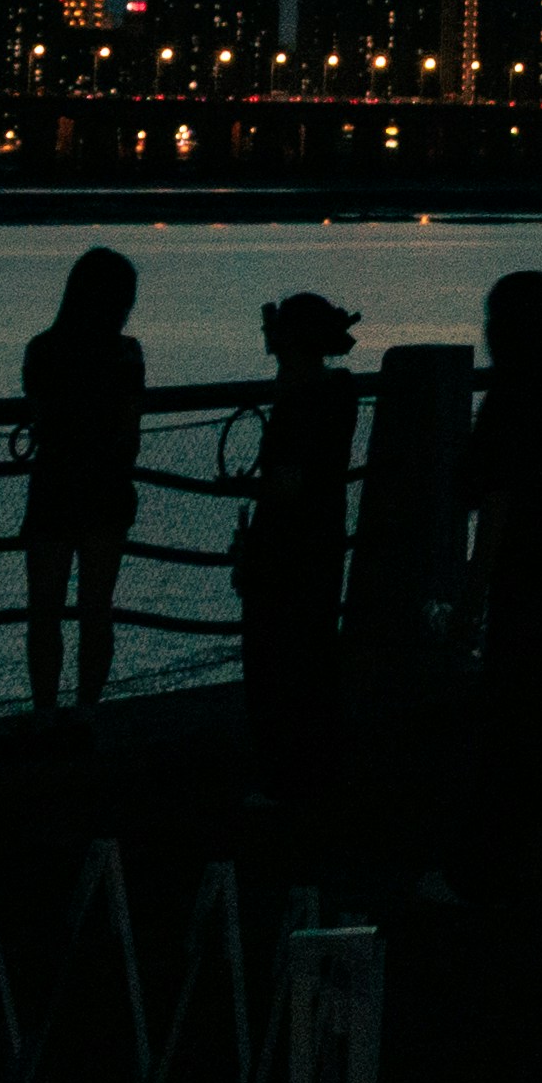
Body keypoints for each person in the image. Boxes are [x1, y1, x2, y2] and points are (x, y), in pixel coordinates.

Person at [234, 289, 361, 802]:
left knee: (272, 665)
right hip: (323, 541)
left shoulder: (299, 406)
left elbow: (286, 483)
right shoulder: (339, 395)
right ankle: (312, 777)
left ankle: (280, 780)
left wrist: (248, 491)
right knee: (311, 662)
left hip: (284, 550)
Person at [21, 247, 150, 722]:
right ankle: (88, 711)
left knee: (44, 612)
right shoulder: (127, 354)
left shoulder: (43, 350)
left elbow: (41, 420)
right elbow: (130, 433)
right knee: (97, 609)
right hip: (107, 491)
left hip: (54, 487)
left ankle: (44, 713)